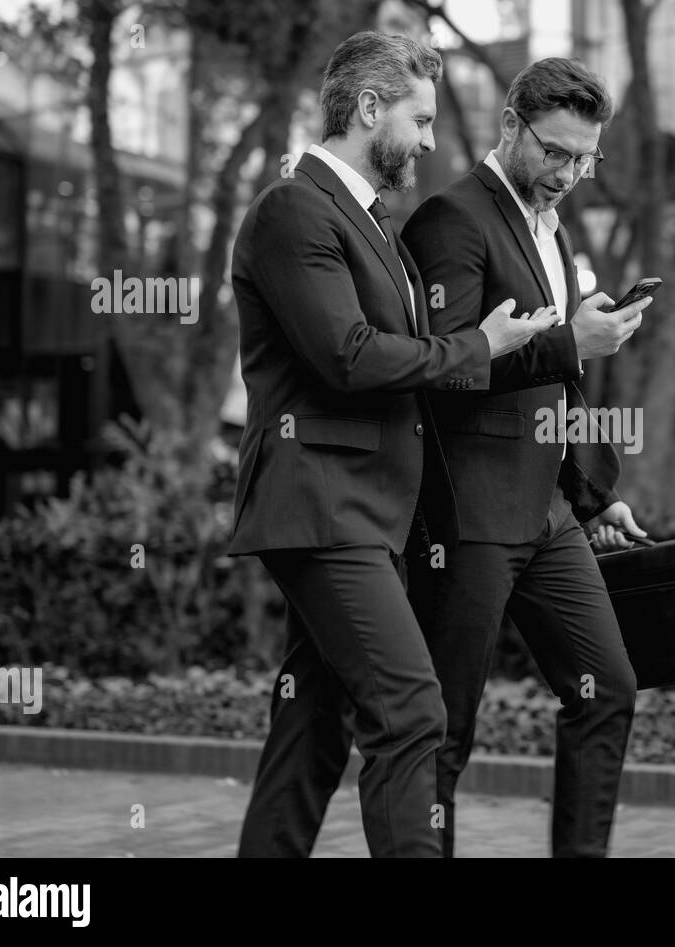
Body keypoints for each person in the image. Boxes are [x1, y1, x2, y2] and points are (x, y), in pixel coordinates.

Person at [227, 31, 557, 858]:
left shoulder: (371, 223)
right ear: (369, 108)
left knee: (313, 725)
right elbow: (350, 357)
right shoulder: (292, 211)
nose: (430, 140)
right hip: (323, 505)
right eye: (421, 118)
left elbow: (394, 363)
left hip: (368, 513)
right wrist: (480, 345)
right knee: (411, 711)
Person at [401, 57, 653, 858]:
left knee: (607, 689)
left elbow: (557, 385)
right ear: (510, 125)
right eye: (555, 152)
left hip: (547, 518)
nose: (570, 173)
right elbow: (443, 366)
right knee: (444, 728)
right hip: (466, 519)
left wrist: (593, 493)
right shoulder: (451, 219)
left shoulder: (553, 228)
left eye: (586, 158)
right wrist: (565, 341)